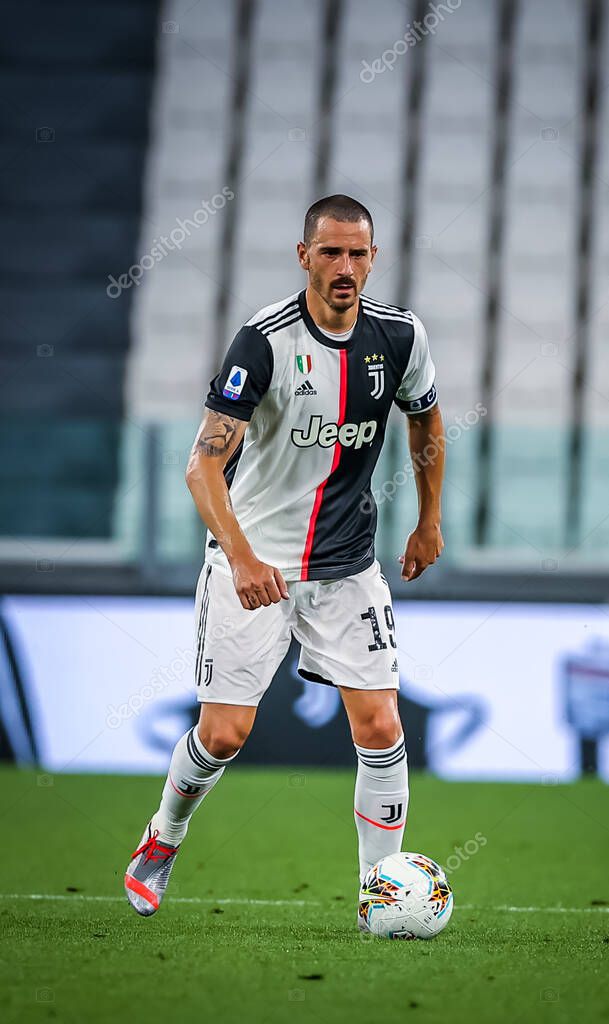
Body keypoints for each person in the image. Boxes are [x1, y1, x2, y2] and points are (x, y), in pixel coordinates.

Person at [124, 194, 445, 926]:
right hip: (256, 566)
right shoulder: (263, 341)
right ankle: (162, 838)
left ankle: (377, 891)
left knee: (380, 726)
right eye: (330, 252)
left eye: (357, 253)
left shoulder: (399, 336)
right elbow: (202, 468)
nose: (344, 267)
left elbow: (425, 417)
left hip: (346, 567)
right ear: (304, 256)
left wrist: (428, 520)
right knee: (224, 735)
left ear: (374, 257)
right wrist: (238, 557)